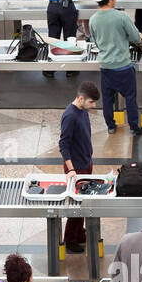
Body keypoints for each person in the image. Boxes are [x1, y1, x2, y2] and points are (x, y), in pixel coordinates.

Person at [89, 0, 142, 134]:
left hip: (105, 66)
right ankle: (133, 127)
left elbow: (97, 43)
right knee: (130, 97)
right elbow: (136, 38)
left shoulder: (93, 19)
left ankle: (111, 126)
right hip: (123, 66)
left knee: (107, 99)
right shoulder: (121, 17)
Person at [59, 80, 100, 253]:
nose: (94, 105)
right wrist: (71, 170)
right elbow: (63, 144)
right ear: (81, 98)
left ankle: (79, 232)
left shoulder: (82, 111)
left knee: (83, 202)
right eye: (91, 101)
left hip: (85, 162)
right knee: (77, 205)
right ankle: (70, 239)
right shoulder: (70, 116)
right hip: (76, 168)